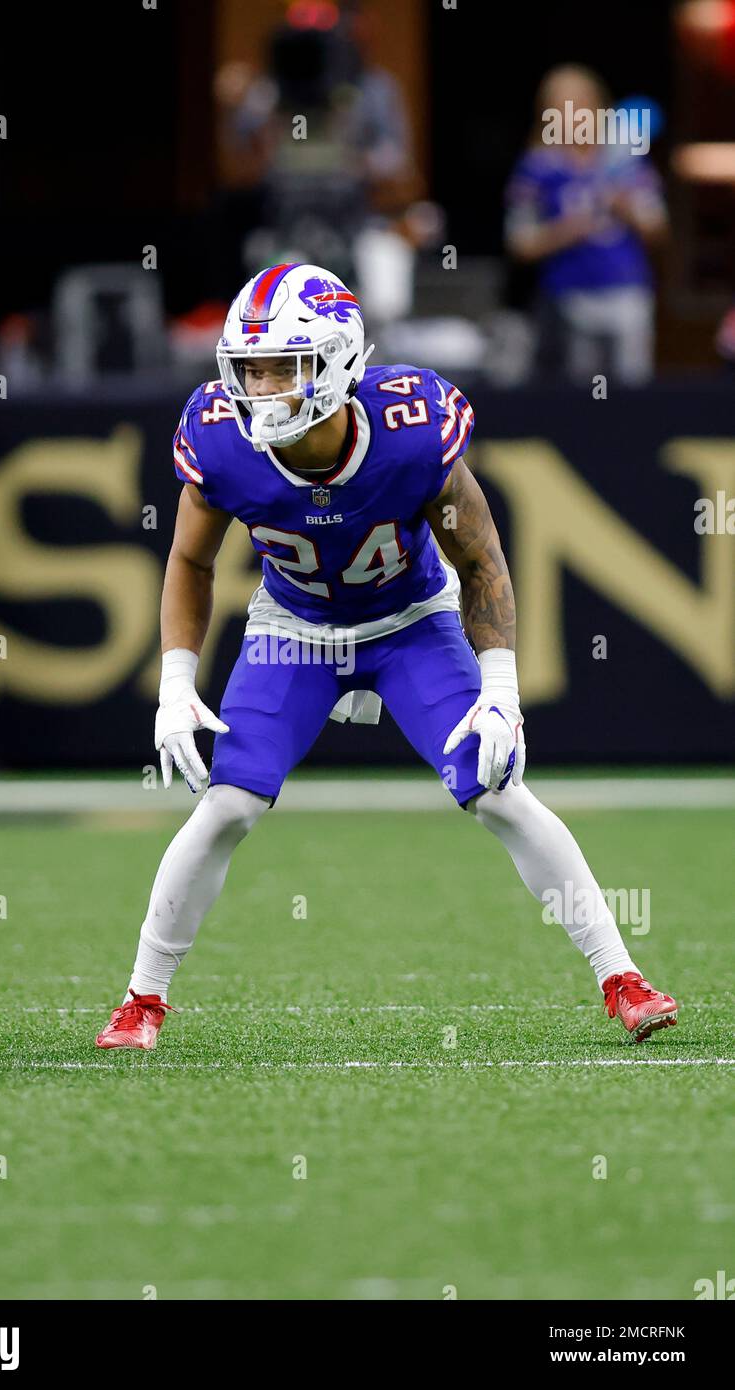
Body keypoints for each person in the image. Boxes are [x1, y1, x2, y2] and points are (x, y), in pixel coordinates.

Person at [95, 262, 677, 1050]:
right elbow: (191, 564)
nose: (259, 388)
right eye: (249, 367)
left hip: (409, 620)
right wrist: (172, 680)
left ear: (337, 362)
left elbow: (479, 558)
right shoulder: (219, 438)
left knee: (498, 788)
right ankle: (141, 1000)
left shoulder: (407, 429)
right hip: (292, 629)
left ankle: (620, 976)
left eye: (282, 367)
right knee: (227, 805)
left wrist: (500, 687)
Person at [504, 66, 668, 385]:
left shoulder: (628, 160)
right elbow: (519, 243)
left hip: (627, 294)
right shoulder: (538, 167)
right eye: (561, 108)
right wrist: (566, 231)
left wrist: (624, 205)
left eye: (579, 105)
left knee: (633, 393)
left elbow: (657, 228)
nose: (573, 117)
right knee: (579, 398)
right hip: (568, 300)